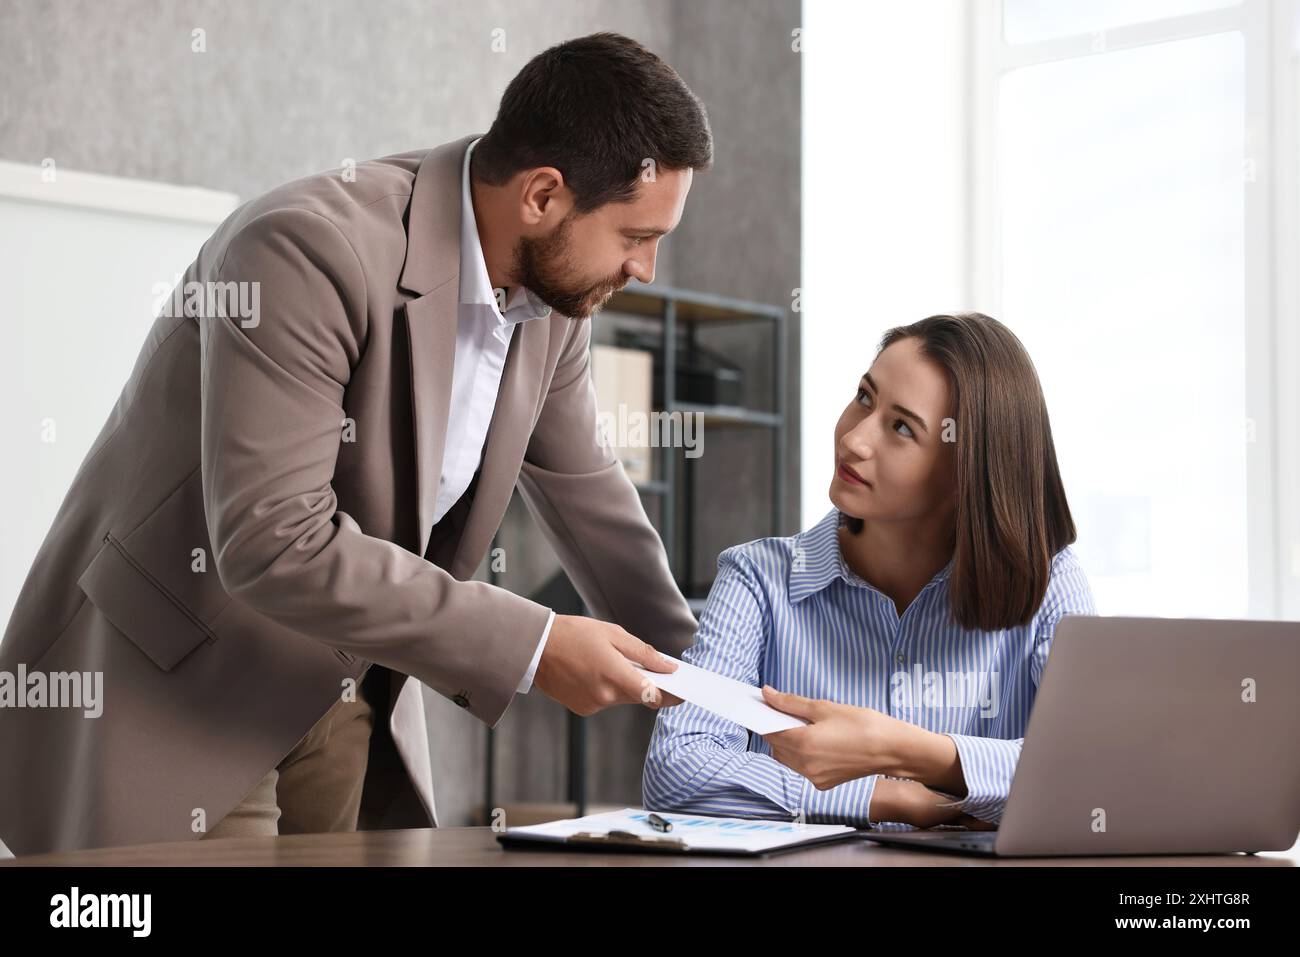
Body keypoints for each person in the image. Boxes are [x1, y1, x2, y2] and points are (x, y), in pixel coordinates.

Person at [0, 32, 712, 856]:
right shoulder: (302, 248)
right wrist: (538, 643)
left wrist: (718, 687)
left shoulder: (552, 307)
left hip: (346, 685)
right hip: (182, 671)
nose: (647, 268)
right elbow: (275, 540)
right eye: (635, 235)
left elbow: (595, 504)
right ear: (543, 196)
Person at [643, 313, 1097, 830]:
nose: (855, 439)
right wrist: (895, 799)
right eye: (864, 397)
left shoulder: (1049, 581)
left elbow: (1092, 769)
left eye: (902, 427)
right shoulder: (758, 578)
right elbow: (676, 770)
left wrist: (905, 749)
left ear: (966, 473)